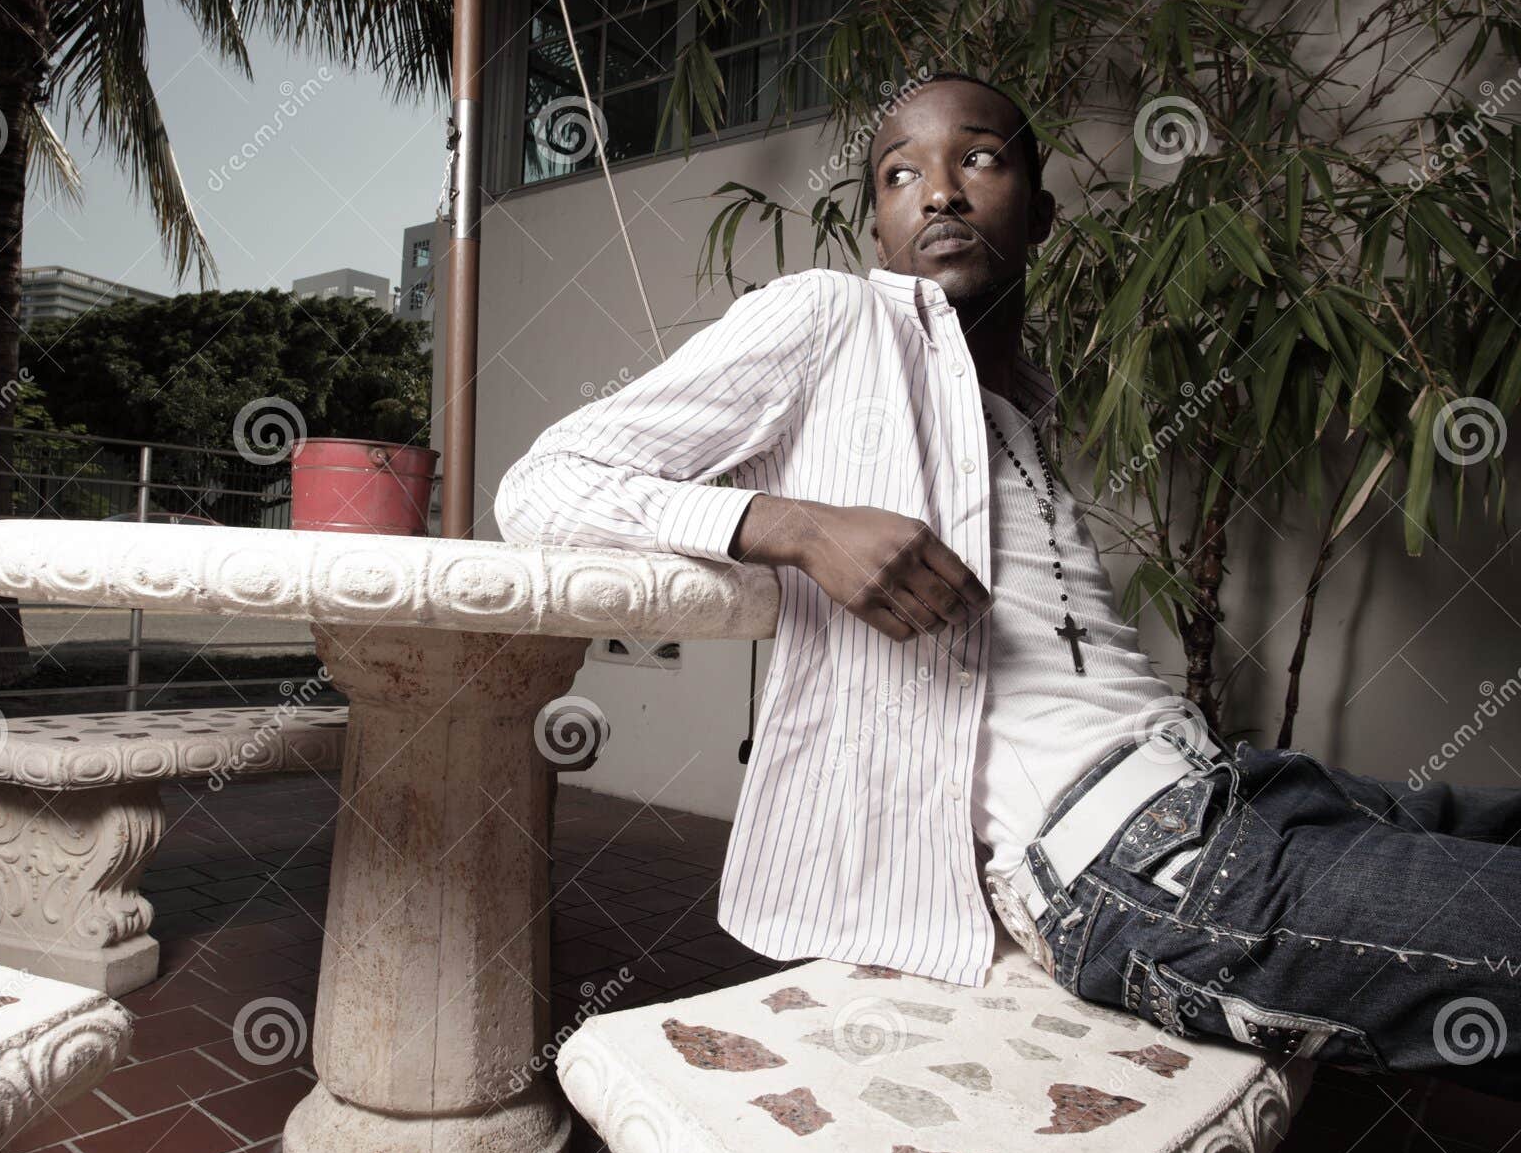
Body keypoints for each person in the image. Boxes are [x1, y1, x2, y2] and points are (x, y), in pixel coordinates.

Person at [496, 72, 1521, 1100]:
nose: (936, 191)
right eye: (899, 174)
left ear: (1038, 211)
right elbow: (542, 484)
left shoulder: (1022, 408)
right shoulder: (830, 317)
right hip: (1129, 863)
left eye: (975, 157)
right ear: (880, 229)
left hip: (1230, 784)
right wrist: (797, 528)